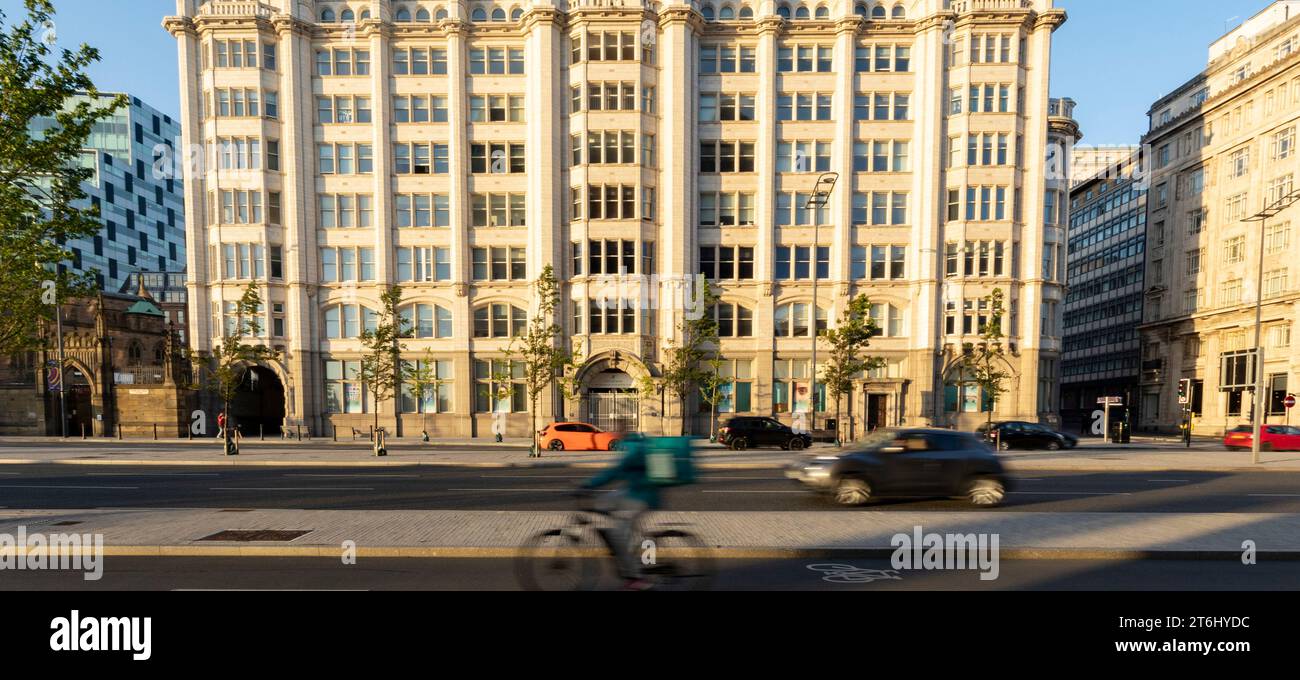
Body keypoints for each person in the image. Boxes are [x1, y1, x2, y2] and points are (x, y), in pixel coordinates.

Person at [577, 437, 663, 590]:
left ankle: (636, 579)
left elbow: (614, 472)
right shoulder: (635, 445)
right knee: (601, 503)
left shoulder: (634, 450)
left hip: (643, 497)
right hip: (634, 491)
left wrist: (587, 485)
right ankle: (615, 536)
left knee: (618, 536)